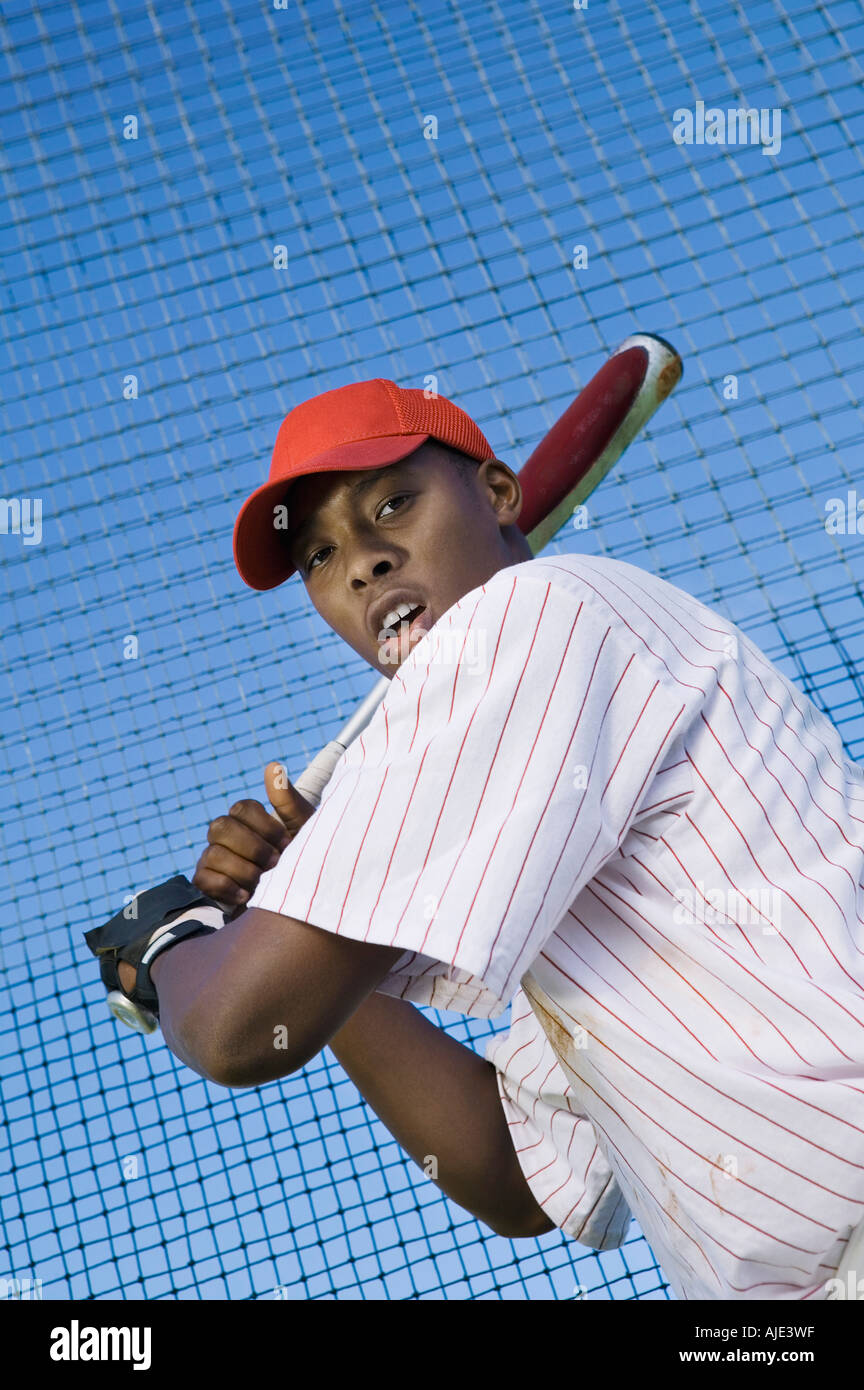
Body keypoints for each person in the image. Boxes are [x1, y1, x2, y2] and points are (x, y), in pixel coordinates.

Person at [110, 378, 864, 1300]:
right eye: (318, 556)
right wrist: (295, 901)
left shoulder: (537, 612)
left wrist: (172, 946)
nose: (363, 563)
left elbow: (233, 1033)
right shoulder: (545, 854)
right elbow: (514, 1177)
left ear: (500, 495)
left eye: (393, 503)